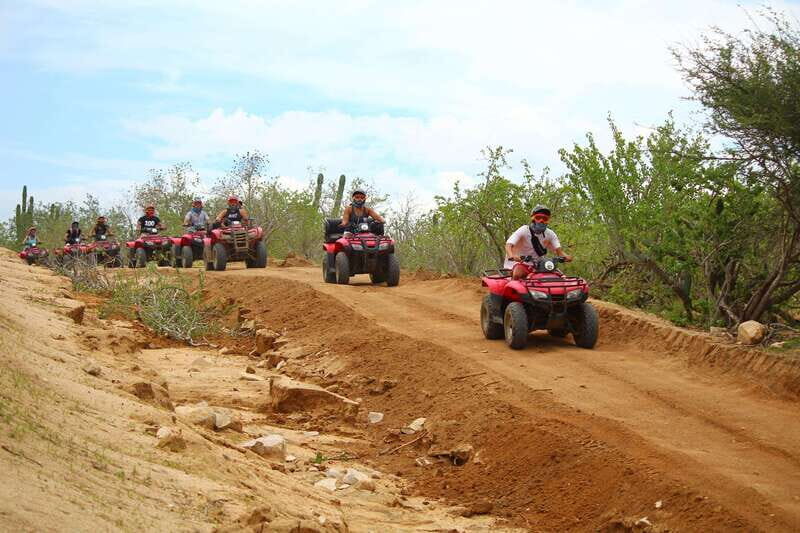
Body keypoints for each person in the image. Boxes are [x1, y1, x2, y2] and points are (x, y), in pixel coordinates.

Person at [505, 205, 572, 280]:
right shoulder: (524, 230)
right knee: (518, 273)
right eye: (538, 218)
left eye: (545, 219)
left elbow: (559, 252)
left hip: (539, 265)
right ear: (533, 219)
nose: (541, 221)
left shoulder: (550, 234)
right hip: (519, 263)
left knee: (560, 277)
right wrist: (511, 256)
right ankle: (514, 289)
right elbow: (508, 245)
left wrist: (567, 257)